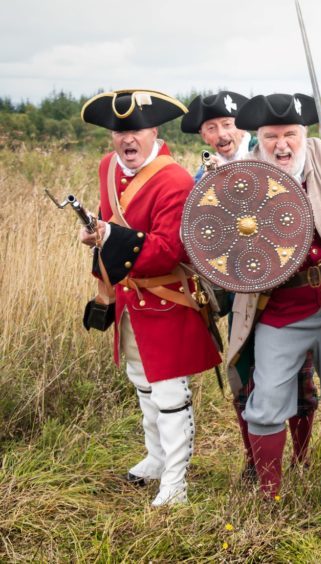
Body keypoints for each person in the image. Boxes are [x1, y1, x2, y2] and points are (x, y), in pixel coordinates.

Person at [227, 93, 321, 512]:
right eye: (271, 136)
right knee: (266, 402)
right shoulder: (243, 175)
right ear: (258, 138)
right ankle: (269, 495)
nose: (281, 145)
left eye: (290, 134)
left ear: (303, 133)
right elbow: (221, 247)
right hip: (277, 308)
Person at [79, 89, 221, 506]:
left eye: (136, 130)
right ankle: (156, 458)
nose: (128, 139)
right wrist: (96, 233)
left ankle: (175, 483)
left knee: (170, 394)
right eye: (120, 131)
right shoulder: (108, 168)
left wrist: (110, 236)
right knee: (141, 384)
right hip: (128, 300)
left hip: (165, 300)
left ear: (153, 130)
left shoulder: (174, 178)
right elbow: (110, 223)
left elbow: (169, 250)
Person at [180, 92, 319, 482]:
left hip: (284, 291)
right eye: (212, 128)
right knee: (244, 379)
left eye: (227, 124)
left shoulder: (273, 154)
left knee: (299, 379)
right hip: (240, 293)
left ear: (243, 126)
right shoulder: (202, 177)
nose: (222, 134)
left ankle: (301, 460)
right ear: (204, 136)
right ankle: (254, 463)